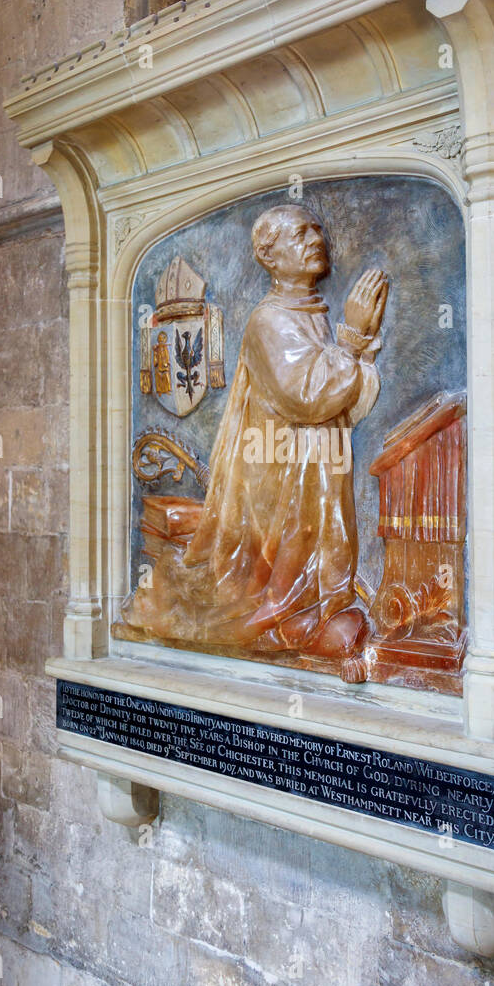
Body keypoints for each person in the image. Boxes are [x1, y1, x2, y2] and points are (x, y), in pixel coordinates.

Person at [119, 203, 388, 679]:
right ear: (269, 254)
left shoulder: (309, 313)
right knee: (283, 589)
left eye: (317, 229)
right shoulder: (270, 321)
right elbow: (307, 396)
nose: (315, 238)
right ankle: (288, 614)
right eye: (300, 233)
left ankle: (315, 608)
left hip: (312, 470)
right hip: (274, 481)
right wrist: (350, 338)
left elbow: (338, 406)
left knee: (332, 603)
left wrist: (353, 341)